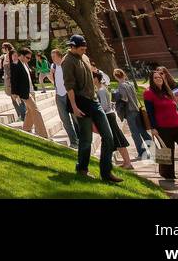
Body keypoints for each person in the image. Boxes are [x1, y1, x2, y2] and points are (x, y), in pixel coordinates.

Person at [61, 35, 119, 183]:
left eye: (84, 47)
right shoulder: (67, 62)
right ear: (72, 47)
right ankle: (82, 169)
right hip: (80, 103)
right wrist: (74, 106)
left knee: (109, 137)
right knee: (86, 139)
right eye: (81, 48)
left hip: (94, 101)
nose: (84, 50)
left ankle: (106, 173)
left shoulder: (84, 57)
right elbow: (69, 86)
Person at [94, 69, 136, 169]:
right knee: (116, 140)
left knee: (118, 139)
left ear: (96, 79)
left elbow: (103, 106)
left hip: (108, 116)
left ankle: (128, 163)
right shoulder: (101, 89)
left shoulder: (101, 90)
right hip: (108, 116)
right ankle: (126, 162)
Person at [113, 68, 151, 160]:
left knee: (135, 133)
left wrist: (116, 95)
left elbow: (125, 99)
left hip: (129, 111)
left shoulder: (121, 86)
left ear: (115, 76)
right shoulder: (130, 84)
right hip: (136, 109)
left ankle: (141, 153)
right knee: (142, 131)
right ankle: (153, 149)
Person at [13, 48, 49, 139]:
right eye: (27, 57)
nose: (29, 59)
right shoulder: (16, 65)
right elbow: (14, 81)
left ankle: (25, 130)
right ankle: (43, 135)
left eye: (30, 58)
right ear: (21, 55)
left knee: (30, 111)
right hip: (24, 93)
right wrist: (15, 94)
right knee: (36, 111)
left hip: (31, 91)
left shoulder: (25, 64)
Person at [49, 48, 79, 147]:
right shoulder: (53, 66)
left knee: (75, 119)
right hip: (59, 96)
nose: (52, 58)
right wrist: (51, 73)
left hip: (68, 95)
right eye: (51, 56)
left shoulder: (66, 65)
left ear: (60, 56)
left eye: (54, 56)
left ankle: (81, 139)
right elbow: (53, 81)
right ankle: (74, 142)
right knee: (65, 120)